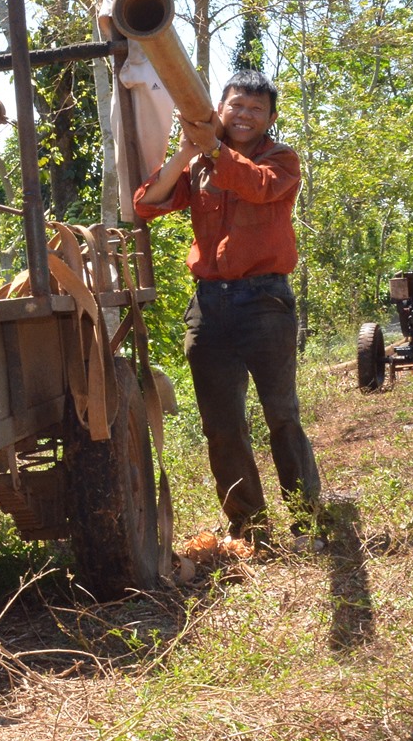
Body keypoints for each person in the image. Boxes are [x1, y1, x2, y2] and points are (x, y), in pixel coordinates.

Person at [132, 70, 320, 547]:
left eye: (257, 109)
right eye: (236, 105)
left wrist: (214, 149)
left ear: (271, 119)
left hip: (265, 302)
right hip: (210, 304)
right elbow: (147, 203)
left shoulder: (281, 159)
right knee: (221, 425)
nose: (245, 115)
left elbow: (257, 186)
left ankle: (307, 521)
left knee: (281, 414)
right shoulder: (199, 164)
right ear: (219, 109)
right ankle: (249, 528)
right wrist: (186, 151)